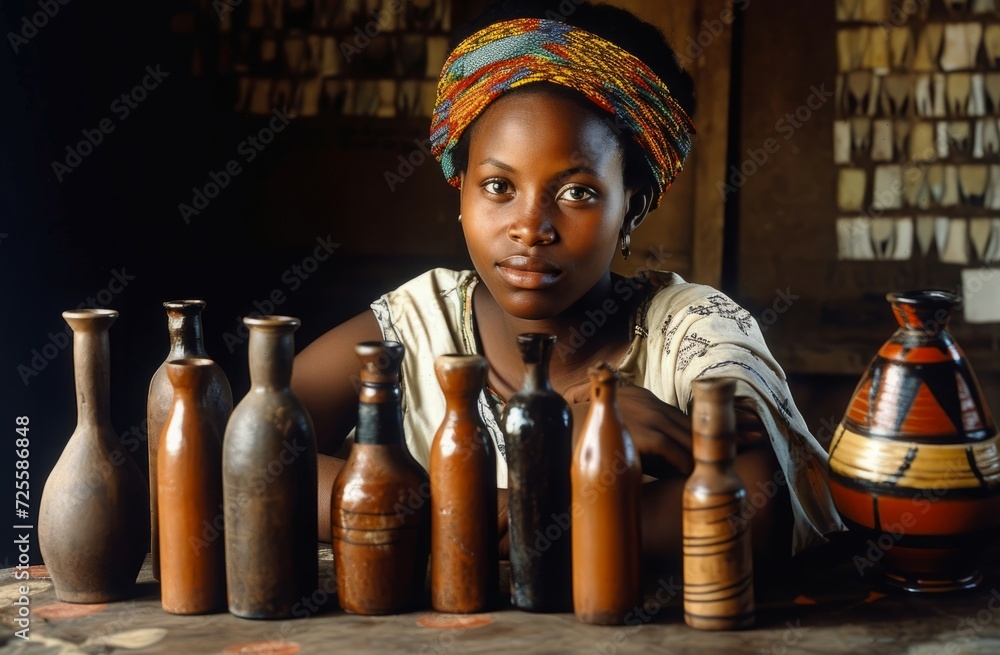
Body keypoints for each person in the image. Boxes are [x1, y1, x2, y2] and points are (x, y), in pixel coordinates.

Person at [292, 0, 844, 571]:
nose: (530, 228)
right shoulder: (415, 326)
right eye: (498, 186)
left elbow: (750, 511)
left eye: (576, 192)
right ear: (460, 190)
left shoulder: (693, 333)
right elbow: (261, 451)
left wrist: (407, 515)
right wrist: (552, 459)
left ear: (632, 207)